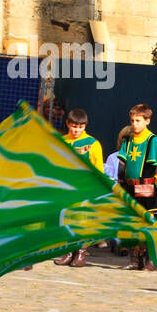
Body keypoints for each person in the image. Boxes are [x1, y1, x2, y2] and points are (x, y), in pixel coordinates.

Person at [117, 104, 157, 270]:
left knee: (148, 222)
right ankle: (134, 259)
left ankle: (150, 260)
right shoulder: (129, 140)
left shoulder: (153, 140)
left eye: (138, 120)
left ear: (147, 121)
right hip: (130, 187)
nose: (134, 124)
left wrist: (151, 183)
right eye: (132, 120)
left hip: (146, 186)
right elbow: (123, 163)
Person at [55, 108, 104, 267]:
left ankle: (81, 253)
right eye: (74, 126)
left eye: (81, 127)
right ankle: (69, 252)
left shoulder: (92, 143)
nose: (77, 130)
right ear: (68, 124)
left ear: (85, 126)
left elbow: (98, 169)